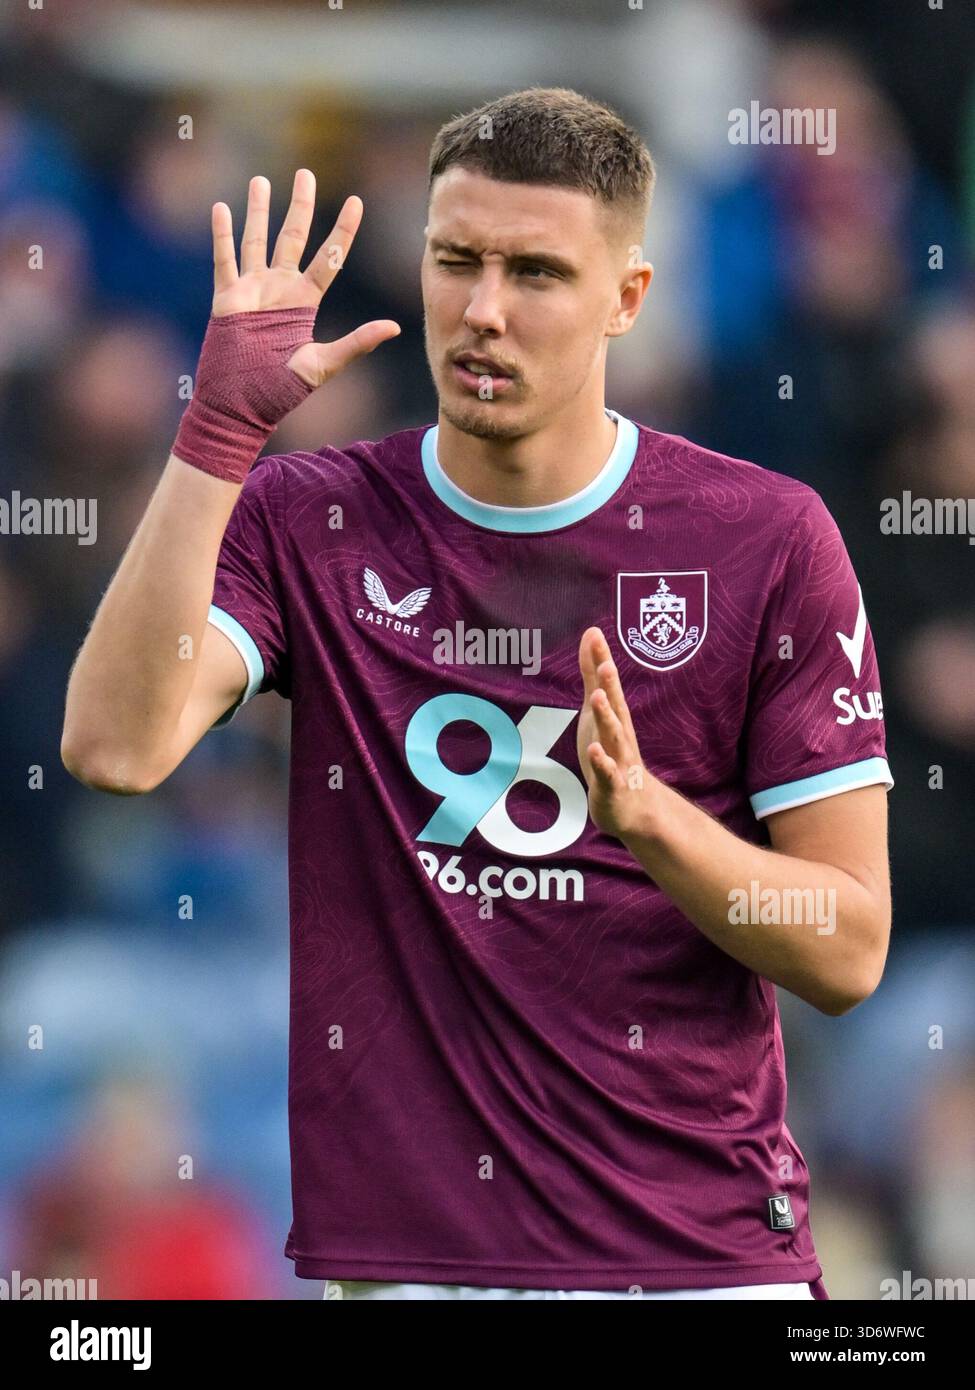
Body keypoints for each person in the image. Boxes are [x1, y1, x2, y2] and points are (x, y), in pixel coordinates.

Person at [61, 88, 893, 1301]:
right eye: (457, 261)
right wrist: (217, 436)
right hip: (409, 1267)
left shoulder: (764, 538)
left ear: (627, 298)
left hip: (693, 1264)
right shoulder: (314, 518)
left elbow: (849, 948)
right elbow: (113, 748)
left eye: (537, 273)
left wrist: (654, 823)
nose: (483, 310)